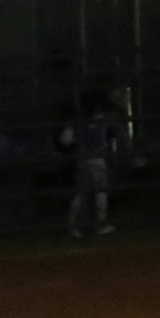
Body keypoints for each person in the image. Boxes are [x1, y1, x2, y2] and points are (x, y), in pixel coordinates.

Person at [60, 89, 120, 237]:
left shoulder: (78, 122)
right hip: (97, 160)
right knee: (100, 193)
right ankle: (100, 225)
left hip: (83, 160)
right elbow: (114, 135)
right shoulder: (102, 120)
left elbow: (65, 140)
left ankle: (73, 226)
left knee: (81, 194)